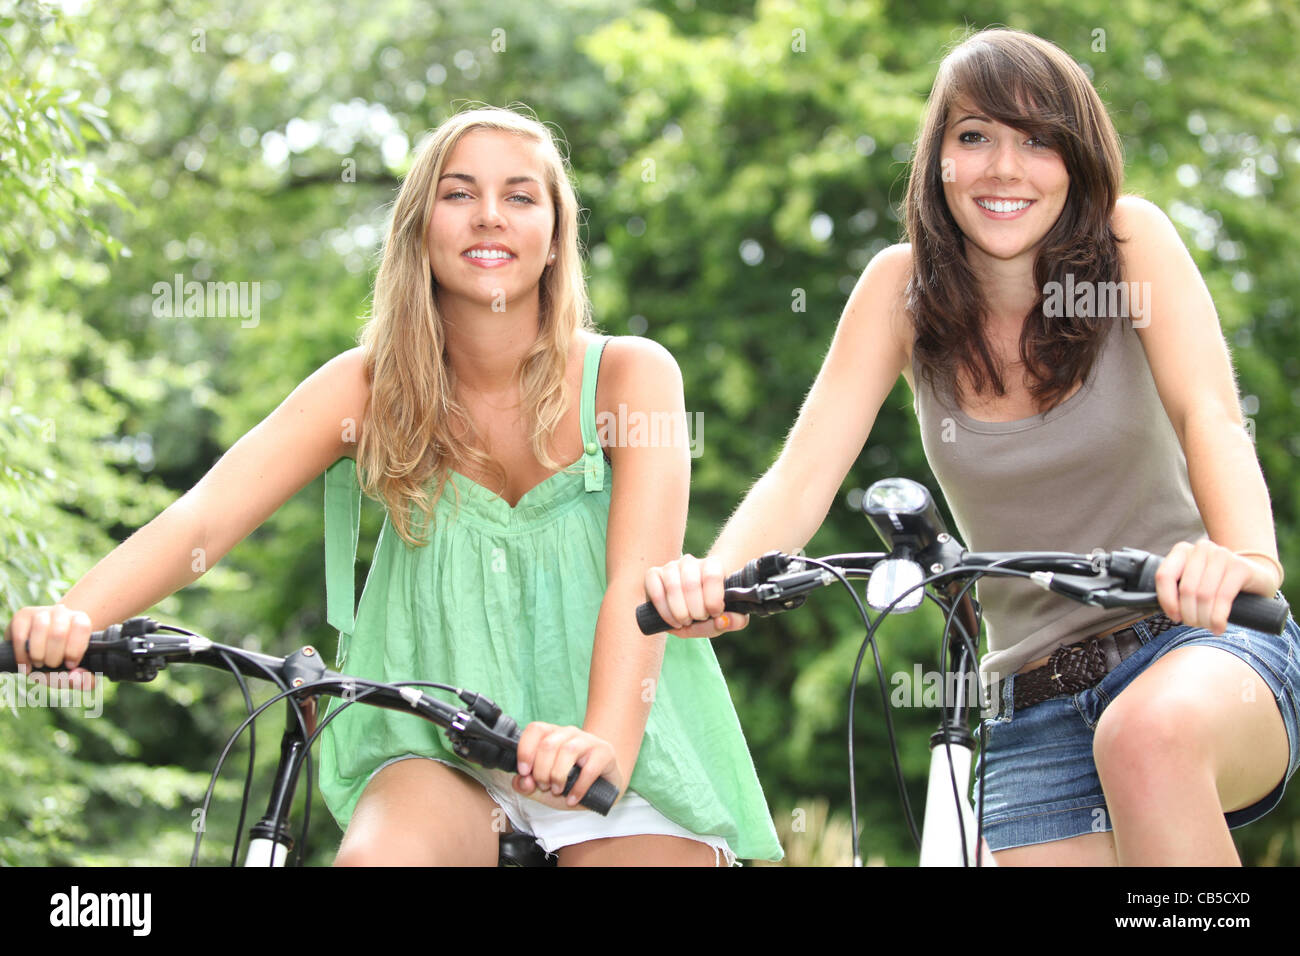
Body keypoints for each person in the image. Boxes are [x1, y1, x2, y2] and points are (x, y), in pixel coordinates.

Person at [5, 105, 782, 867]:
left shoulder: (630, 376)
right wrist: (75, 617)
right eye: (457, 193)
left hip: (619, 747)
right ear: (418, 230)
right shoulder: (367, 388)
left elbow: (636, 590)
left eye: (519, 196)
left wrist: (601, 745)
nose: (488, 216)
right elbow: (203, 519)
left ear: (554, 240)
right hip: (435, 743)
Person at [643, 29, 1297, 866]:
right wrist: (724, 577)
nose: (1004, 167)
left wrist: (1245, 558)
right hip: (1031, 703)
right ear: (938, 160)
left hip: (1192, 642)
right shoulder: (900, 291)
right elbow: (803, 472)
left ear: (1077, 159)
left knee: (1146, 735)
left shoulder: (1130, 243)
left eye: (1038, 140)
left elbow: (1211, 413)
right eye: (974, 136)